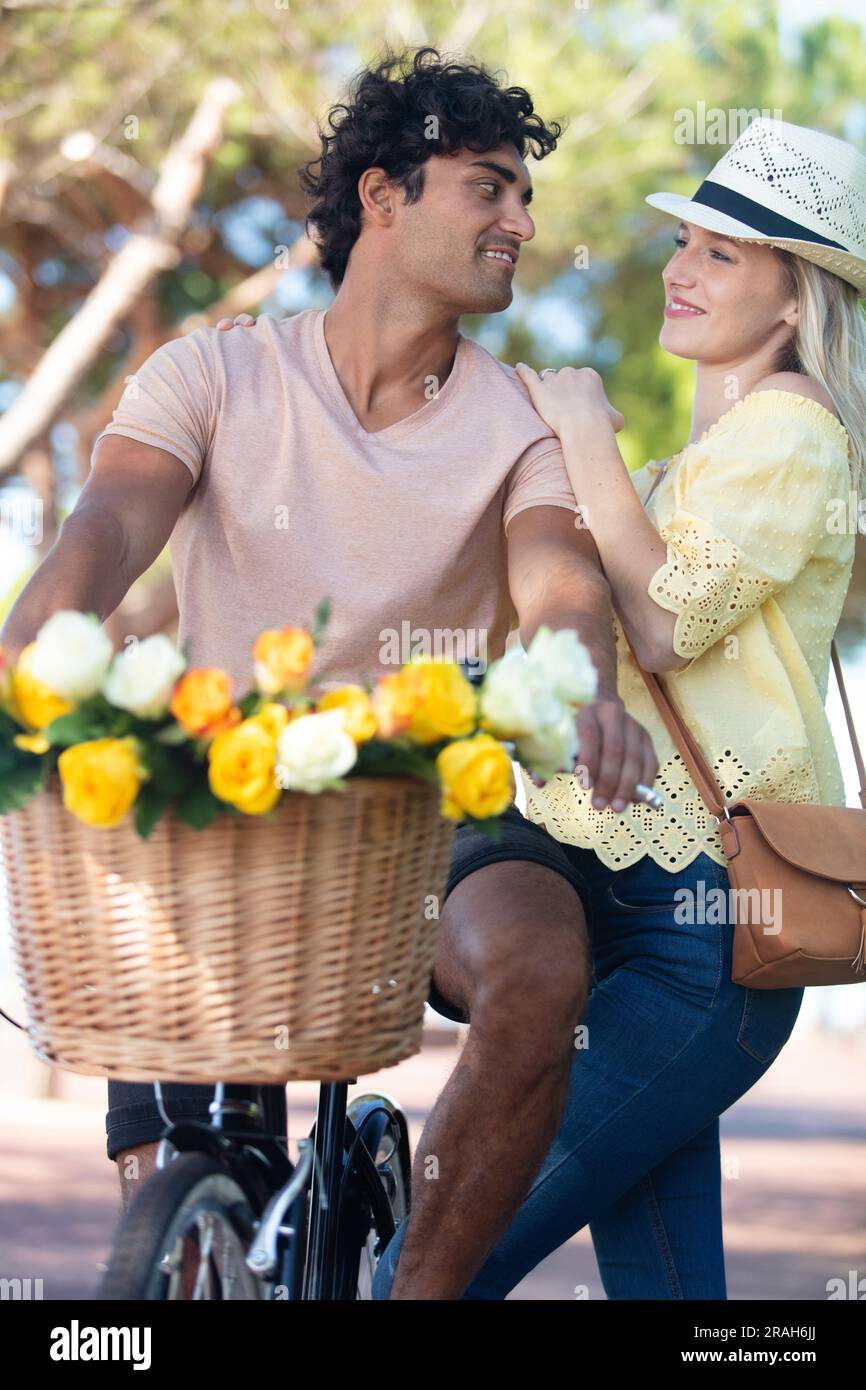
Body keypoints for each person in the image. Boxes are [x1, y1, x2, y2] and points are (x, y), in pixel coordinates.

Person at [0, 46, 656, 1301]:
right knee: (175, 1182)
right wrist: (35, 633)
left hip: (433, 812)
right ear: (382, 195)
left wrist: (585, 687)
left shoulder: (515, 415)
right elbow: (110, 526)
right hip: (219, 809)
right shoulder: (213, 371)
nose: (522, 222)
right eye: (490, 188)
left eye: (526, 197)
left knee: (539, 969)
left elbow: (558, 582)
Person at [371, 115, 866, 1298]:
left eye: (719, 255)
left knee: (439, 1259)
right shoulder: (691, 467)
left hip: (699, 933)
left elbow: (658, 619)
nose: (676, 271)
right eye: (681, 244)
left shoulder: (794, 429)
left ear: (793, 299)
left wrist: (585, 435)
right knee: (664, 1286)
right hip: (633, 906)